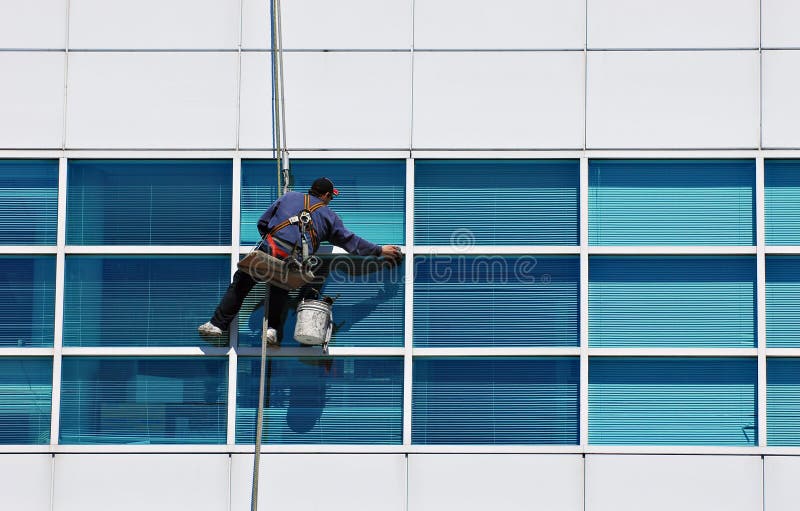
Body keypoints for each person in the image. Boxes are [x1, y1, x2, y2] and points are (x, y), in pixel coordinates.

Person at [198, 177, 402, 345]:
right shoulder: (329, 216)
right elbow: (350, 242)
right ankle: (271, 331)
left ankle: (217, 326)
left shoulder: (289, 198)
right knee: (280, 290)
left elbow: (262, 222)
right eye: (330, 197)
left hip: (270, 249)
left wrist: (272, 240)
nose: (330, 201)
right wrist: (378, 250)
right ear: (325, 195)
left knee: (241, 285)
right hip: (292, 260)